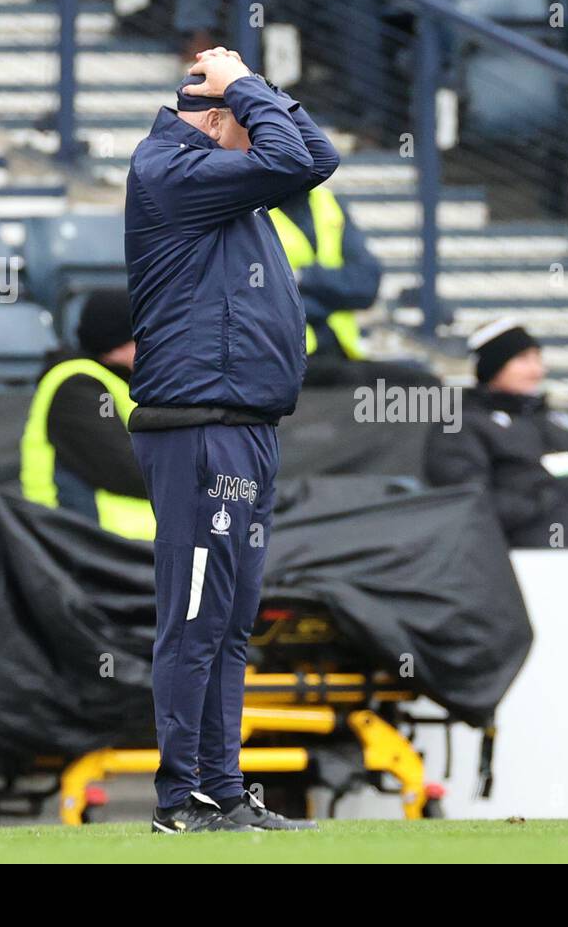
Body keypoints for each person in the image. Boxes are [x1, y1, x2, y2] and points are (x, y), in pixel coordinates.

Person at [125, 46, 338, 833]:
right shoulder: (168, 171)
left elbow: (316, 157)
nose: (260, 128)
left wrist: (253, 88)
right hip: (200, 429)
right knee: (194, 616)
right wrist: (245, 87)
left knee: (229, 620)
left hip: (243, 425)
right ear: (215, 121)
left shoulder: (217, 175)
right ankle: (181, 801)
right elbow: (289, 154)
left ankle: (221, 788)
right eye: (244, 117)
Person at [424, 319, 568, 548]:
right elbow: (469, 502)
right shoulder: (461, 426)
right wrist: (543, 498)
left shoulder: (561, 420)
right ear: (493, 366)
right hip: (523, 543)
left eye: (538, 359)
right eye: (523, 360)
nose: (537, 370)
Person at [20, 289, 155, 541]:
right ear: (123, 341)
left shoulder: (123, 384)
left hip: (127, 550)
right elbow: (128, 470)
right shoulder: (76, 386)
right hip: (90, 550)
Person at [269, 186, 381, 361]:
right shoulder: (250, 211)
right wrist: (330, 299)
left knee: (418, 378)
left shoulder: (328, 201)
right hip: (286, 358)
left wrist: (302, 277)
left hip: (342, 351)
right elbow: (264, 300)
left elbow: (366, 284)